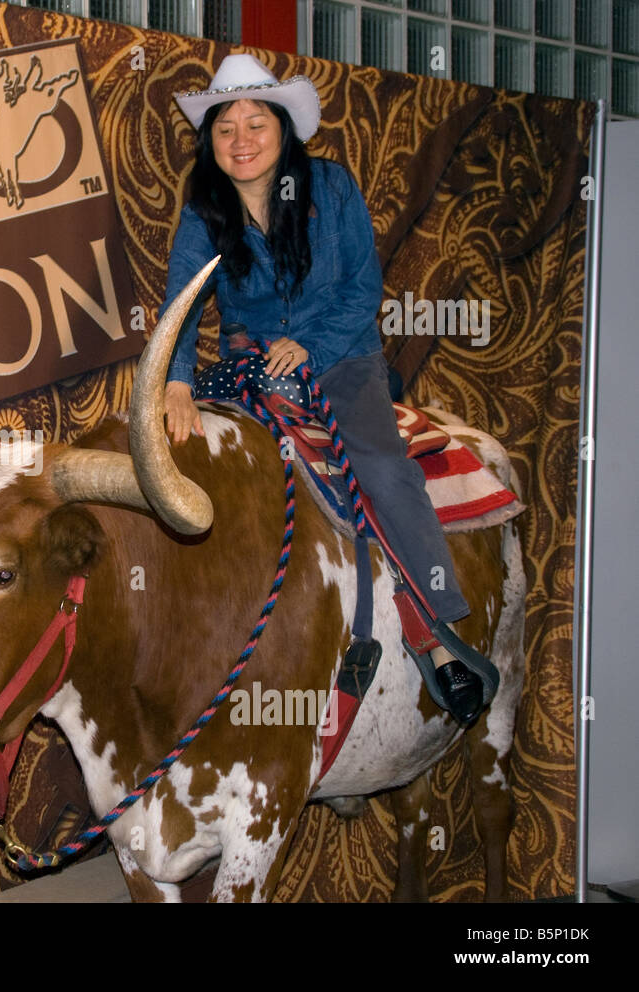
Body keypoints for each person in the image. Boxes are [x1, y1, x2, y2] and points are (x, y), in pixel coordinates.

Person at [159, 53, 485, 724]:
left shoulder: (330, 188)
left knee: (380, 470)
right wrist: (178, 382)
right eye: (225, 127)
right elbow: (184, 305)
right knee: (199, 471)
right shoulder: (203, 212)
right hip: (249, 362)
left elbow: (363, 288)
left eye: (256, 123)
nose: (241, 140)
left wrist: (310, 345)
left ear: (282, 129)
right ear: (210, 141)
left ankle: (439, 635)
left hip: (342, 357)